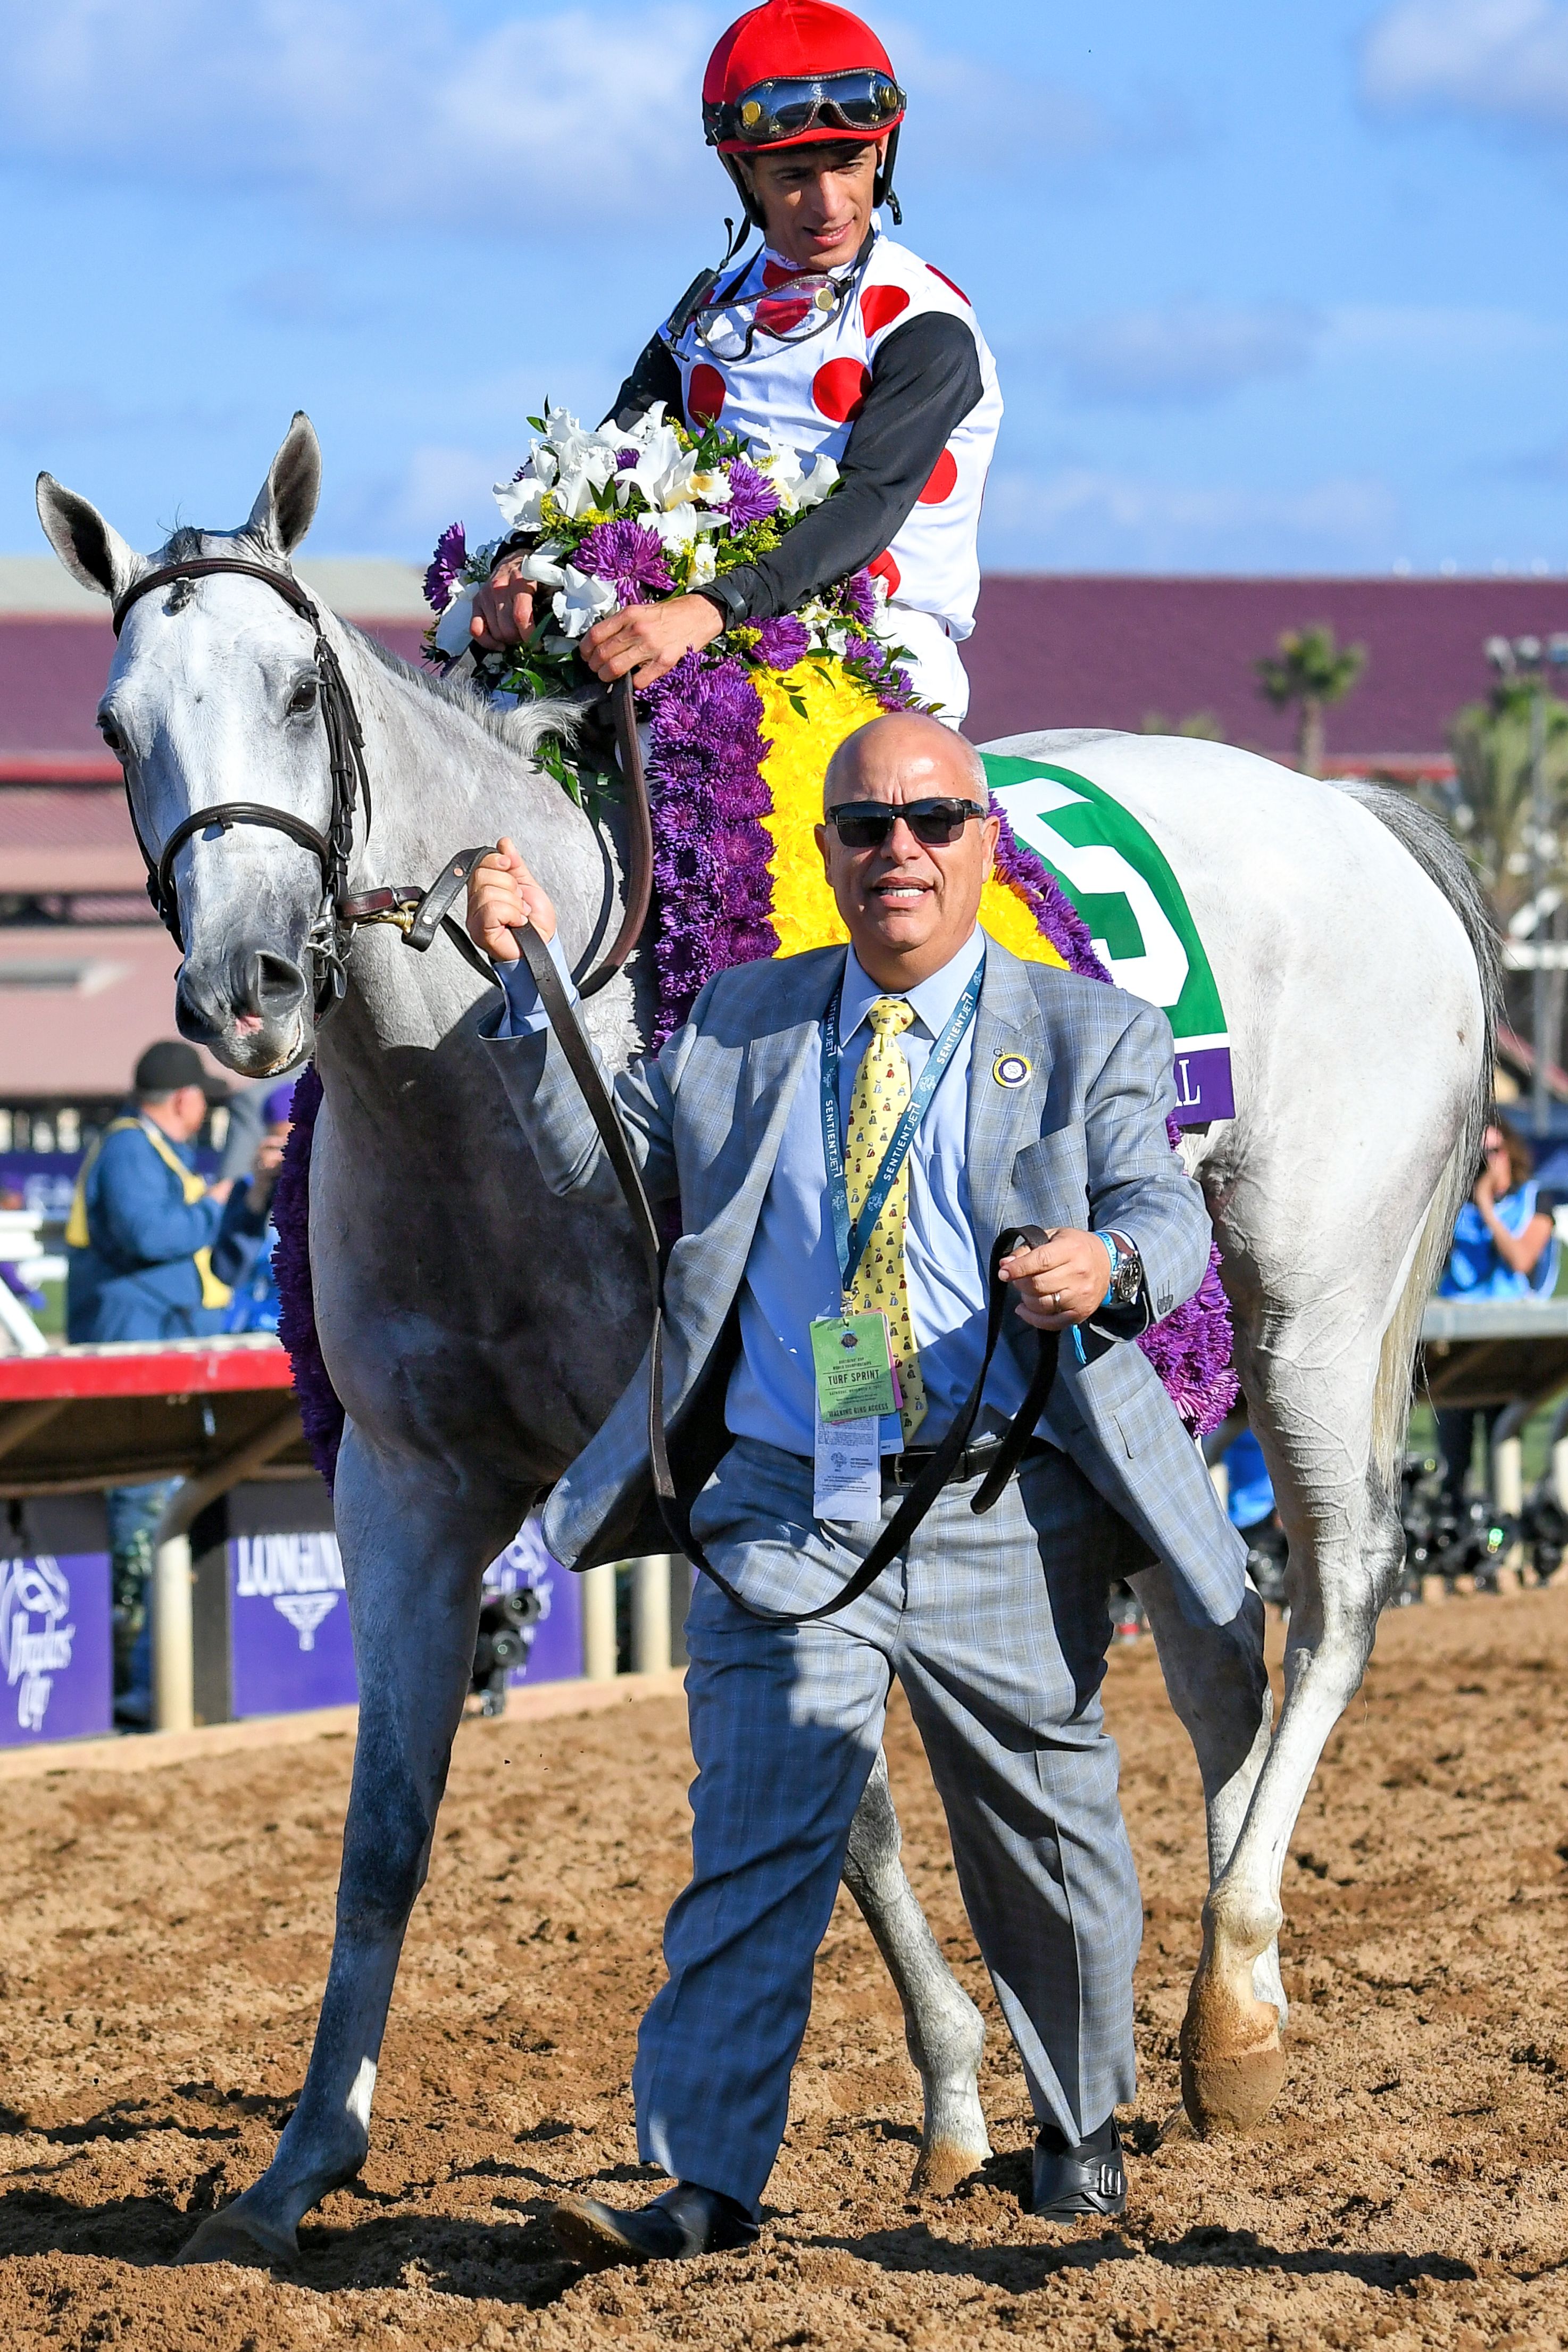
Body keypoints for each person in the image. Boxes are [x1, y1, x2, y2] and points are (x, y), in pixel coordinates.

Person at [468, 710, 1248, 2262]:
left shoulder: (1082, 1030)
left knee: (1045, 1837)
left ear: (977, 842)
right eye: (866, 825)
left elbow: (1163, 1198)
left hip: (998, 1504)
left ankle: (1076, 2126)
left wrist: (1116, 1260)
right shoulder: (744, 1018)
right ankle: (701, 2182)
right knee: (755, 1836)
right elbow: (600, 1161)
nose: (898, 849)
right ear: (825, 851)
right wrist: (524, 982)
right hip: (780, 1500)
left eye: (933, 820)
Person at [468, 0, 1001, 723]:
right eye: (793, 175)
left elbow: (869, 505)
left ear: (883, 154)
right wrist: (521, 557)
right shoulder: (706, 310)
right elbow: (611, 446)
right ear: (743, 175)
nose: (829, 202)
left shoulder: (926, 325)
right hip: (701, 636)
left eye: (851, 164)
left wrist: (712, 608)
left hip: (883, 652)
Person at [65, 1039, 235, 1723]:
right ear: (184, 1100)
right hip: (133, 1360)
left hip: (154, 1350)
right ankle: (133, 1695)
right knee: (143, 1521)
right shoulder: (132, 1147)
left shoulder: (141, 1146)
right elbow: (148, 1234)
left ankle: (149, 1686)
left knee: (157, 1518)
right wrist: (216, 1204)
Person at [1434, 1113, 1559, 1515]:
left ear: (1510, 1151)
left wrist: (1487, 1205)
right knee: (1454, 1450)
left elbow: (1522, 1259)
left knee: (1503, 1437)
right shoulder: (1452, 1207)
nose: (1488, 1161)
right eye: (1479, 1153)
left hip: (1508, 1343)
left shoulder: (1533, 1200)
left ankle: (1506, 1526)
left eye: (1494, 1151)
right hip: (1457, 1346)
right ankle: (1454, 1529)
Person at [218, 1083, 296, 1335]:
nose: (288, 1155)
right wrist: (259, 1193)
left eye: (294, 1144)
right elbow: (228, 1272)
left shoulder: (328, 1188)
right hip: (253, 1332)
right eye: (279, 1145)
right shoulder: (249, 1190)